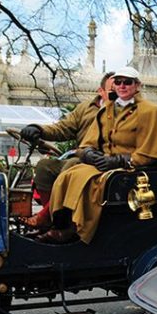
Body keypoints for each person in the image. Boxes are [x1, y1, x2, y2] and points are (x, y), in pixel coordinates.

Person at [39, 66, 157, 244]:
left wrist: (120, 160)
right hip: (105, 163)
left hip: (130, 167)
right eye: (118, 82)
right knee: (70, 174)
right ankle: (59, 223)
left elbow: (152, 150)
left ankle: (77, 229)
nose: (122, 86)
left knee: (90, 181)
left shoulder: (150, 111)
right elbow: (89, 141)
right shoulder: (106, 110)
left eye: (127, 82)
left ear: (137, 86)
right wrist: (89, 154)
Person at [19, 71, 116, 226]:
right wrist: (39, 130)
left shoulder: (121, 112)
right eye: (112, 90)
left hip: (101, 161)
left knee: (71, 166)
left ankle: (48, 219)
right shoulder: (86, 108)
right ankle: (53, 216)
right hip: (82, 156)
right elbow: (63, 128)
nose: (116, 94)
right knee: (44, 166)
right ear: (101, 91)